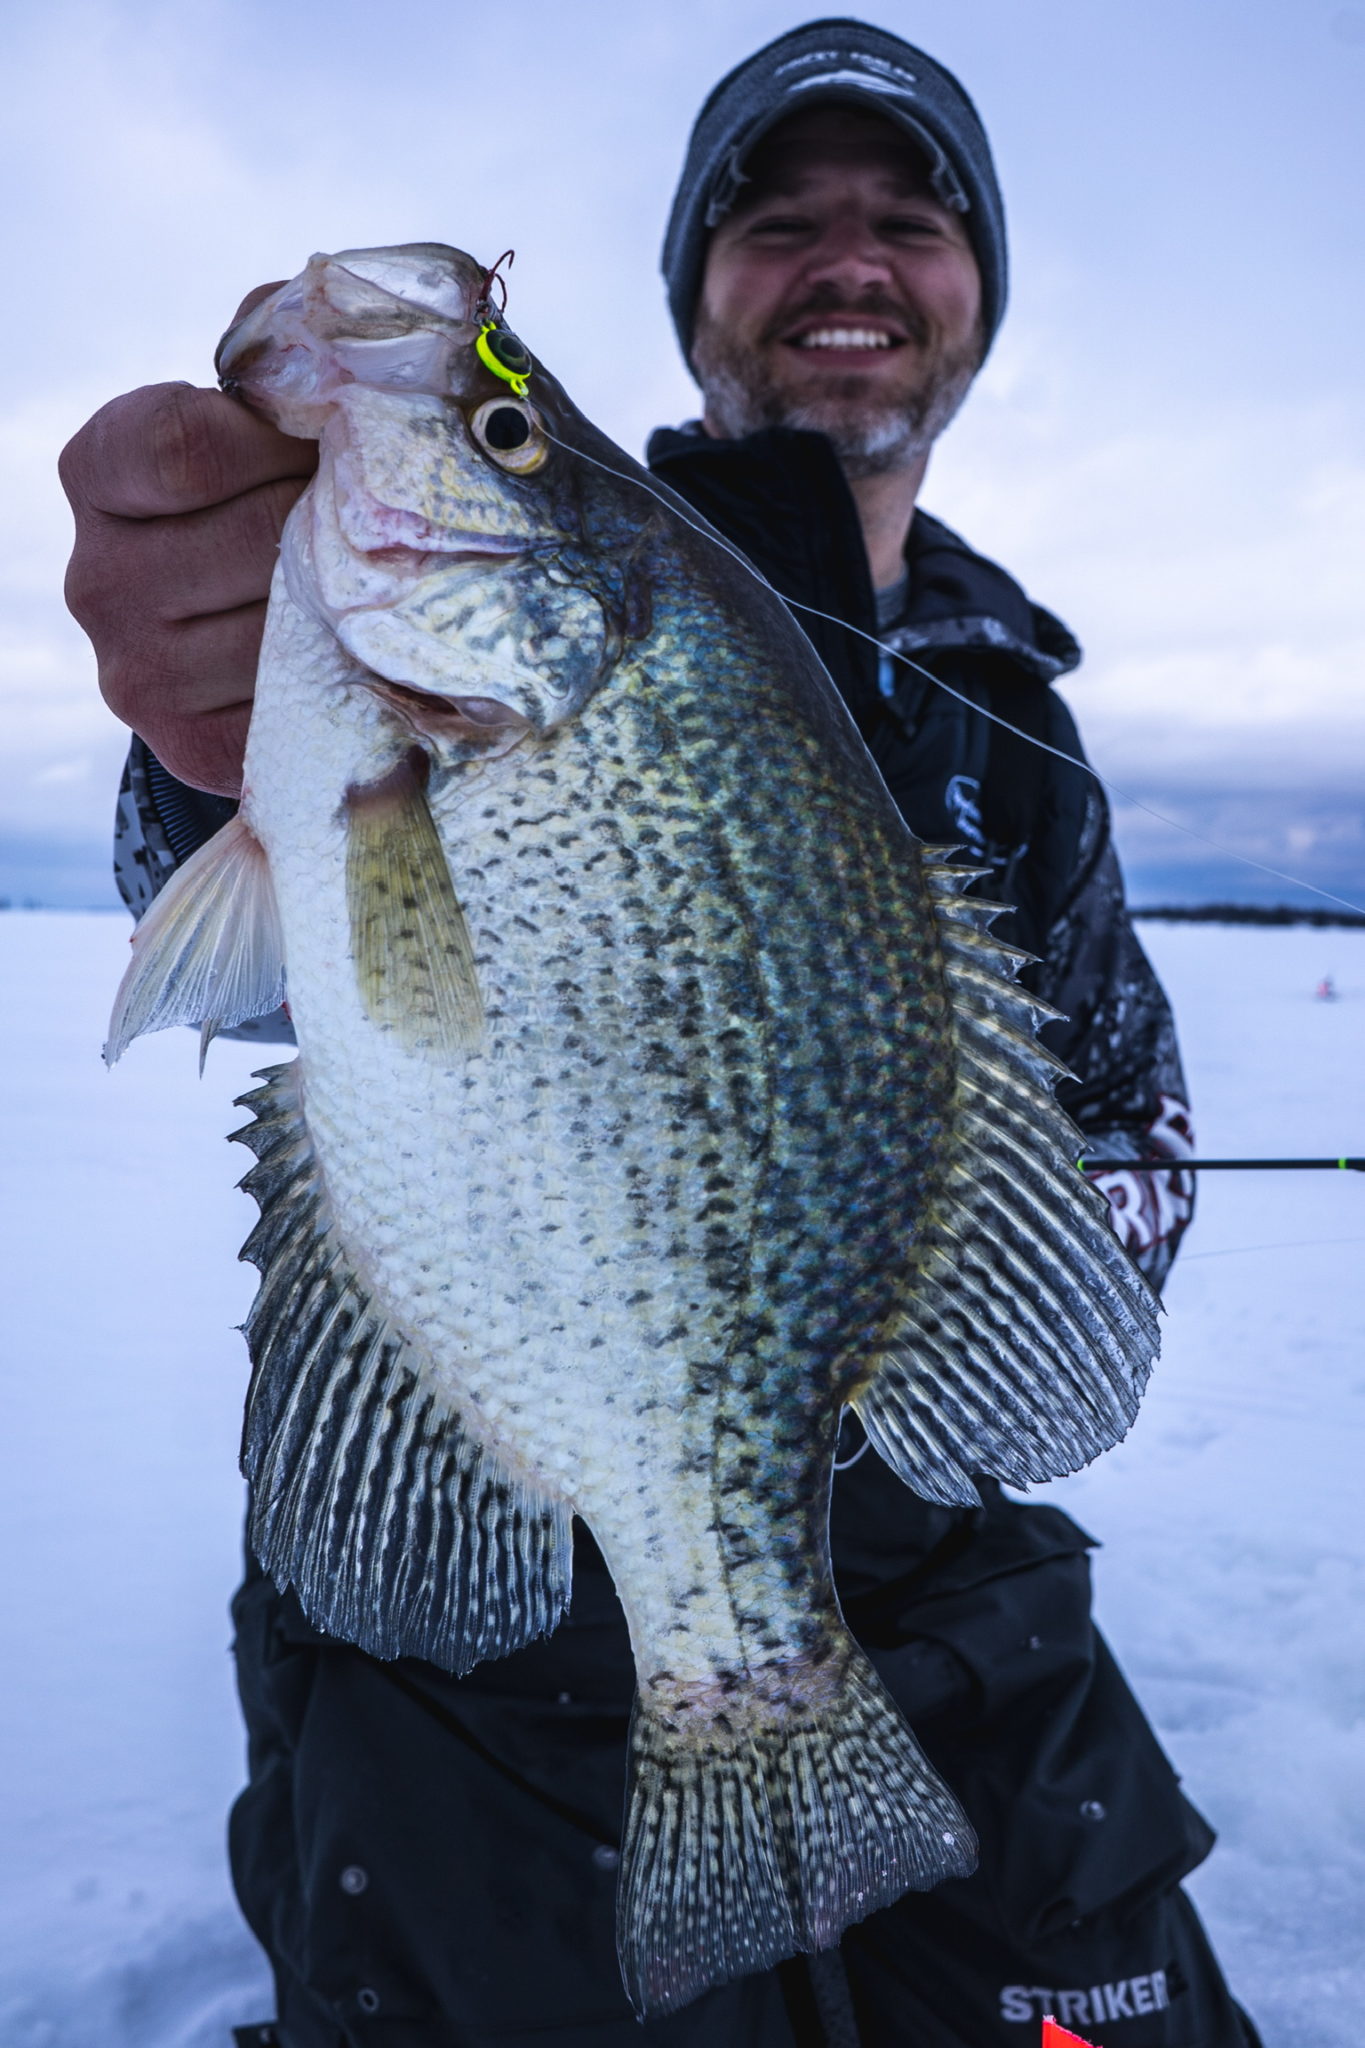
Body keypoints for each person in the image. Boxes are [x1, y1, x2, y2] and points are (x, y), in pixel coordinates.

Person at [60, 20, 1255, 2048]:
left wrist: (908, 1244)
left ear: (975, 292)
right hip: (494, 1618)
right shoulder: (503, 606)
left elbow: (1125, 1147)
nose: (846, 258)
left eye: (906, 216)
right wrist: (206, 753)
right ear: (694, 290)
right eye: (777, 220)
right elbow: (274, 953)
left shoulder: (1021, 740)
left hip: (947, 1591)